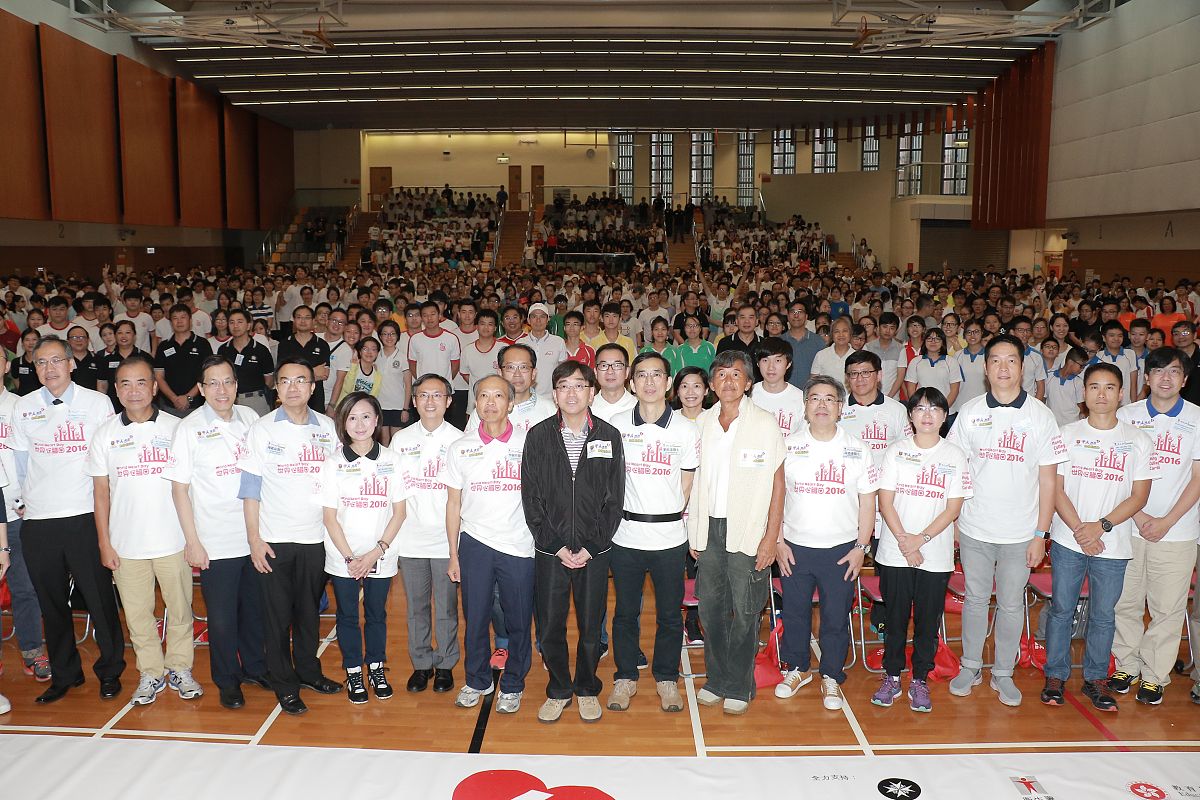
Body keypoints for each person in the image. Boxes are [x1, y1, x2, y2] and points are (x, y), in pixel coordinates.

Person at [947, 334, 1067, 707]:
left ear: (1022, 366)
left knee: (1013, 604)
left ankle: (1002, 673)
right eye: (995, 361)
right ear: (984, 368)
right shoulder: (969, 413)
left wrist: (1040, 534)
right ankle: (970, 666)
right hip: (975, 527)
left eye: (1010, 360)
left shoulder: (1041, 416)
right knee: (975, 600)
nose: (1002, 367)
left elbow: (1049, 480)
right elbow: (956, 468)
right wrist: (953, 522)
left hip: (1021, 532)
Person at [12, 335, 126, 704]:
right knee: (52, 603)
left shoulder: (97, 403)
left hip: (85, 516)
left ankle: (110, 671)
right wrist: (21, 503)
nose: (50, 368)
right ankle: (65, 674)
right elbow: (20, 461)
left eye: (56, 360)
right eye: (41, 362)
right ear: (34, 366)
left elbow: (109, 460)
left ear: (71, 363)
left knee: (99, 599)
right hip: (40, 520)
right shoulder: (24, 407)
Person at [1042, 361, 1156, 712]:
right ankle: (1055, 676)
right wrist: (1081, 529)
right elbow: (1055, 488)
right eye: (1094, 387)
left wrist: (1101, 526)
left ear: (1121, 394)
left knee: (1104, 615)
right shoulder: (1066, 434)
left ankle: (1095, 679)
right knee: (1062, 610)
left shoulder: (1137, 440)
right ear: (1084, 393)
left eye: (1109, 387)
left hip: (1113, 542)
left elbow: (1139, 496)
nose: (1101, 394)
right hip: (1068, 540)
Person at [88, 355, 201, 705]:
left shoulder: (177, 428)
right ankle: (151, 673)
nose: (133, 390)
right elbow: (101, 493)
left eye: (141, 383)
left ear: (154, 387)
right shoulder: (105, 433)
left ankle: (181, 667)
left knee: (180, 608)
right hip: (126, 544)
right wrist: (105, 543)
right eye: (125, 383)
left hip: (173, 540)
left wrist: (194, 538)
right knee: (138, 616)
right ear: (116, 391)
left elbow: (191, 488)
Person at [238, 358, 343, 716]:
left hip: (317, 539)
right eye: (285, 382)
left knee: (308, 615)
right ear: (276, 388)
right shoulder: (262, 429)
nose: (293, 387)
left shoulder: (328, 427)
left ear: (313, 388)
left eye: (301, 381)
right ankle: (284, 683)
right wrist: (254, 539)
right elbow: (250, 489)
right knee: (277, 617)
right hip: (275, 539)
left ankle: (309, 672)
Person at [522, 361, 624, 723]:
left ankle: (586, 685)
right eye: (564, 386)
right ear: (554, 394)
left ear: (591, 393)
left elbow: (615, 499)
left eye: (579, 386)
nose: (571, 392)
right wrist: (554, 544)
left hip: (594, 550)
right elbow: (531, 496)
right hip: (552, 550)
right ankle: (559, 687)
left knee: (591, 622)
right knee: (549, 623)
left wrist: (592, 546)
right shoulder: (538, 435)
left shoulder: (609, 436)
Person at [165, 355, 267, 710]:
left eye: (228, 382)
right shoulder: (189, 428)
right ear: (202, 389)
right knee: (222, 618)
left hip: (253, 535)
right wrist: (192, 542)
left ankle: (255, 667)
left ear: (237, 386)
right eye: (213, 383)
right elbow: (179, 489)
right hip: (215, 541)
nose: (221, 390)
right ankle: (227, 679)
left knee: (254, 610)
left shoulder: (252, 419)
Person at [688, 350, 785, 714]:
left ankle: (739, 685)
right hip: (709, 529)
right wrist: (696, 531)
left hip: (749, 529)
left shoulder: (764, 422)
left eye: (736, 375)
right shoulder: (703, 422)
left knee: (746, 611)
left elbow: (779, 484)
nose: (728, 382)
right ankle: (717, 679)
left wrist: (771, 537)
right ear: (712, 384)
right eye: (721, 375)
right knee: (711, 609)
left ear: (748, 383)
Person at [774, 375, 878, 710]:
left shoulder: (858, 450)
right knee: (795, 613)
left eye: (829, 399)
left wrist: (861, 548)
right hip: (795, 547)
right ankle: (798, 668)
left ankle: (831, 674)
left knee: (835, 615)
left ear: (840, 407)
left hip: (842, 550)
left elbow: (868, 503)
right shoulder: (787, 446)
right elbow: (774, 499)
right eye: (814, 398)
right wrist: (777, 541)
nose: (821, 405)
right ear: (804, 406)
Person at [607, 351, 699, 714]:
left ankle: (665, 679)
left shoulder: (686, 429)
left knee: (669, 615)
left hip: (669, 538)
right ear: (631, 382)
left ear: (668, 382)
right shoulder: (614, 423)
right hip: (625, 536)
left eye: (656, 375)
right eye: (641, 375)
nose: (648, 382)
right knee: (625, 612)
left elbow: (687, 483)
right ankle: (625, 676)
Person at [871, 387, 972, 713]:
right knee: (895, 618)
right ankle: (891, 677)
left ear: (944, 416)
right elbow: (884, 501)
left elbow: (953, 507)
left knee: (928, 622)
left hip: (935, 554)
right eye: (920, 409)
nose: (927, 415)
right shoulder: (896, 451)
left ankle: (919, 680)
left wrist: (920, 540)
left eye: (935, 409)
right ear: (910, 415)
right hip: (894, 551)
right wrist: (904, 540)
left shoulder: (954, 455)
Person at [1108, 347, 1200, 705]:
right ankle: (1127, 664)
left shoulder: (1196, 418)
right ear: (1145, 378)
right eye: (1158, 371)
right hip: (1128, 528)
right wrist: (1140, 516)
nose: (1166, 378)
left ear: (1185, 379)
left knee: (1168, 607)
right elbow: (1117, 474)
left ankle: (1154, 675)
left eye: (1174, 372)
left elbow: (1196, 478)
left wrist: (1166, 521)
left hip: (1177, 531)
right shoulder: (1125, 416)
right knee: (1125, 602)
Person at [446, 375, 535, 715]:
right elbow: (453, 504)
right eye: (483, 395)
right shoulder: (461, 448)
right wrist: (453, 553)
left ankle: (513, 684)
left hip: (519, 546)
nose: (491, 402)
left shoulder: (530, 443)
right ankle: (476, 679)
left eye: (499, 395)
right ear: (476, 402)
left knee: (518, 619)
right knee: (476, 617)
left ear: (511, 403)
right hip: (475, 544)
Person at [321, 392, 407, 704]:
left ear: (377, 420)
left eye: (366, 416)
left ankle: (376, 667)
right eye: (352, 417)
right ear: (343, 422)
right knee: (346, 616)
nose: (360, 423)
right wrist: (350, 558)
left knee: (376, 615)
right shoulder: (332, 463)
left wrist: (375, 553)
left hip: (381, 555)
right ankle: (354, 671)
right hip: (342, 557)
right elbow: (329, 518)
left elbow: (399, 513)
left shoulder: (392, 461)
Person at [390, 373, 462, 693]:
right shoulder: (401, 440)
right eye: (423, 395)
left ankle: (445, 664)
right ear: (414, 400)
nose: (430, 401)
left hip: (447, 540)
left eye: (437, 395)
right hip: (411, 538)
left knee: (446, 607)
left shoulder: (460, 441)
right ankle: (421, 664)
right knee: (416, 607)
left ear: (448, 401)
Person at [154, 304, 213, 418]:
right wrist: (174, 399)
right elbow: (159, 377)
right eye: (175, 318)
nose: (179, 321)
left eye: (183, 317)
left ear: (190, 320)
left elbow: (208, 375)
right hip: (169, 406)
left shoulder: (203, 344)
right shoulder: (164, 346)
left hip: (197, 406)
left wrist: (188, 397)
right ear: (171, 322)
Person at [217, 309, 274, 416]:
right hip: (230, 401)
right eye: (232, 322)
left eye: (240, 322)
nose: (235, 326)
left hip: (256, 400)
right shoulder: (223, 350)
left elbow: (269, 381)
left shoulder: (261, 350)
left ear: (248, 325)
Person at [277, 305, 332, 413]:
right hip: (291, 396)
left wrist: (295, 377)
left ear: (313, 321)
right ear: (294, 320)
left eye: (307, 317)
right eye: (299, 317)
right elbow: (282, 375)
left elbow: (324, 374)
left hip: (315, 398)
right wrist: (313, 372)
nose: (303, 321)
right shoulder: (284, 344)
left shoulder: (322, 344)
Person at [751, 336, 806, 436]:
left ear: (788, 364)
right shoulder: (748, 396)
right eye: (765, 360)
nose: (771, 367)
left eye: (778, 361)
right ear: (758, 364)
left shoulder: (800, 399)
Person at [523, 303, 568, 397]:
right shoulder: (520, 343)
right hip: (525, 397)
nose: (538, 320)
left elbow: (563, 373)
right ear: (528, 320)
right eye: (534, 316)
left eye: (542, 316)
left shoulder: (558, 342)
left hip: (551, 398)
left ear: (548, 320)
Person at [781, 299, 824, 389]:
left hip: (811, 394)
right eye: (793, 312)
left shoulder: (818, 341)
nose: (796, 315)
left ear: (806, 316)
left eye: (800, 312)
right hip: (784, 393)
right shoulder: (779, 341)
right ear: (788, 316)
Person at [590, 343, 637, 422]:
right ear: (595, 372)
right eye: (604, 365)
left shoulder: (638, 407)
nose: (610, 371)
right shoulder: (586, 410)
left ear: (627, 372)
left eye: (617, 365)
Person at [1045, 347, 1088, 426]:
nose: (1082, 369)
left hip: (1072, 425)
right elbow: (1043, 399)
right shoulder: (1048, 376)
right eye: (1081, 366)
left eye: (1084, 366)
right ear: (1070, 362)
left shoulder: (1079, 382)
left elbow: (1081, 407)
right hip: (1052, 423)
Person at [811, 316, 855, 389]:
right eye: (837, 331)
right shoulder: (821, 355)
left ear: (850, 334)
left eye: (845, 331)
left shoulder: (857, 357)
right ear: (832, 335)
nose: (841, 335)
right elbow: (813, 382)